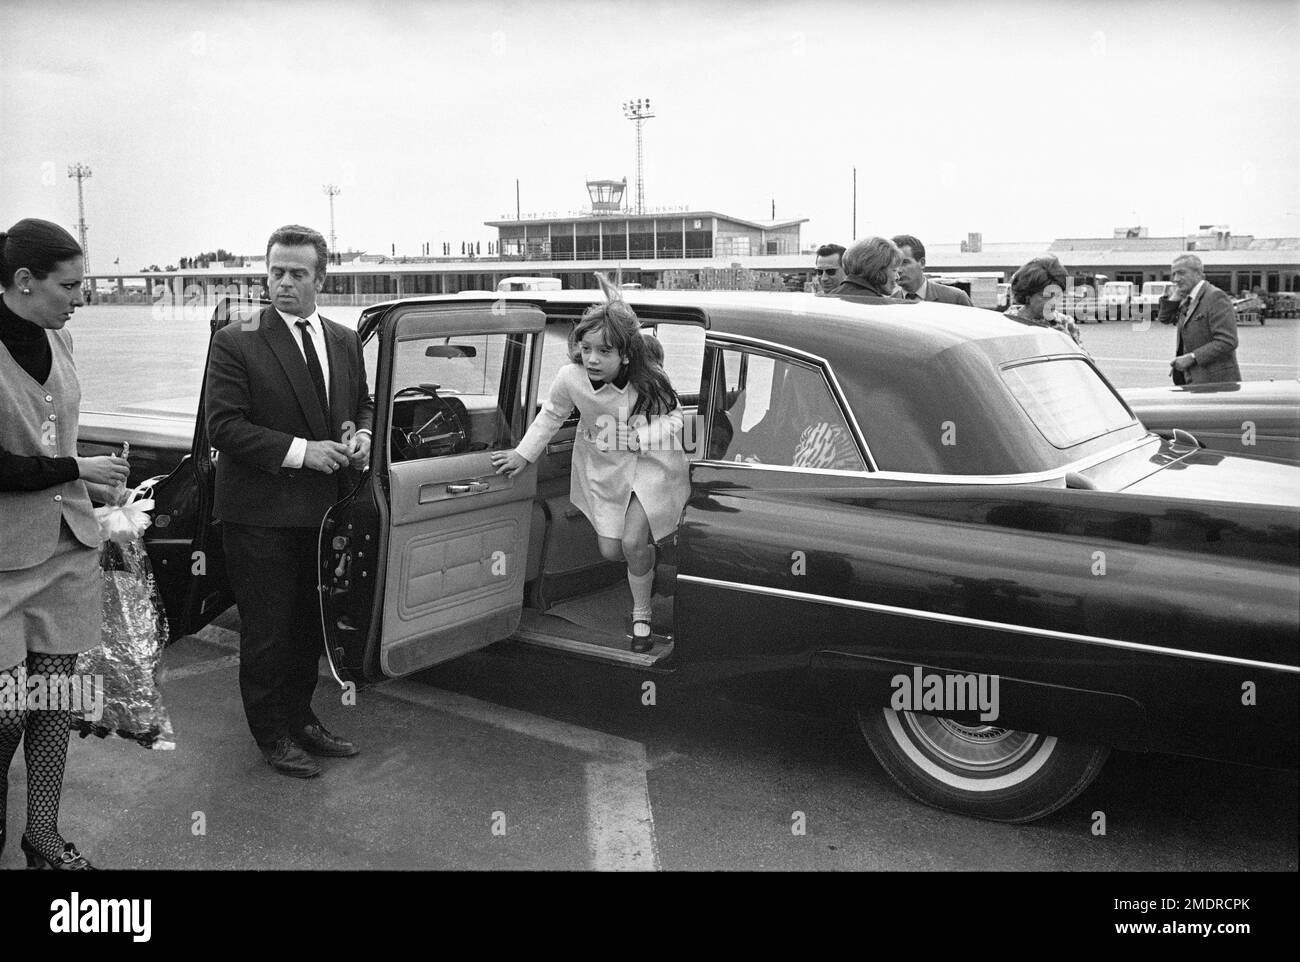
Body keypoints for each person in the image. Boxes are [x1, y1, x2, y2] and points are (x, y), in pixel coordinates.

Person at [205, 225, 374, 778]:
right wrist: (304, 452)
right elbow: (223, 428)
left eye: (297, 273)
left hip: (322, 514)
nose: (283, 283)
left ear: (321, 278)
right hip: (260, 515)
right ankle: (271, 734)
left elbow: (364, 405)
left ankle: (302, 719)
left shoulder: (345, 340)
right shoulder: (237, 339)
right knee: (268, 629)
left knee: (309, 625)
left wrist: (362, 437)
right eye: (275, 271)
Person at [1, 218, 130, 869]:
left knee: (53, 703)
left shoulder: (64, 339)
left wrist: (89, 481)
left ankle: (43, 838)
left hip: (67, 549)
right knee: (4, 715)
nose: (80, 297)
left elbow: (57, 439)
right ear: (24, 281)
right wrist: (79, 469)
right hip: (3, 564)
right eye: (69, 285)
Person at [491, 275, 689, 654]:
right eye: (586, 348)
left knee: (632, 541)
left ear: (626, 355)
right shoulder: (570, 378)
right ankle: (651, 560)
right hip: (604, 470)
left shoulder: (649, 380)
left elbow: (677, 418)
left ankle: (642, 613)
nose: (592, 359)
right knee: (612, 549)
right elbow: (550, 415)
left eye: (604, 351)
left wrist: (641, 438)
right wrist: (522, 454)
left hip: (650, 466)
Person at [1156, 253, 1241, 385]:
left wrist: (1192, 357)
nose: (1175, 279)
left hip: (1215, 382)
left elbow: (1228, 341)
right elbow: (1164, 318)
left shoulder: (1215, 297)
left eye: (1181, 273)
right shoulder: (1187, 298)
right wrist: (1175, 296)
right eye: (1174, 274)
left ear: (1198, 274)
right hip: (1192, 379)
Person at [1004, 255, 1088, 353]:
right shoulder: (1007, 323)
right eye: (1045, 296)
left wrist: (1068, 342)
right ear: (1027, 295)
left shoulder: (1065, 324)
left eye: (1057, 295)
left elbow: (1086, 364)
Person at [891, 234, 974, 306]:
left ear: (922, 263)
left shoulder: (955, 298)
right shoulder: (890, 304)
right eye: (894, 264)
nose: (898, 270)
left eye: (905, 262)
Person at [830, 237, 903, 299]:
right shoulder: (878, 305)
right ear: (877, 269)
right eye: (894, 270)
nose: (898, 277)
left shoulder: (828, 298)